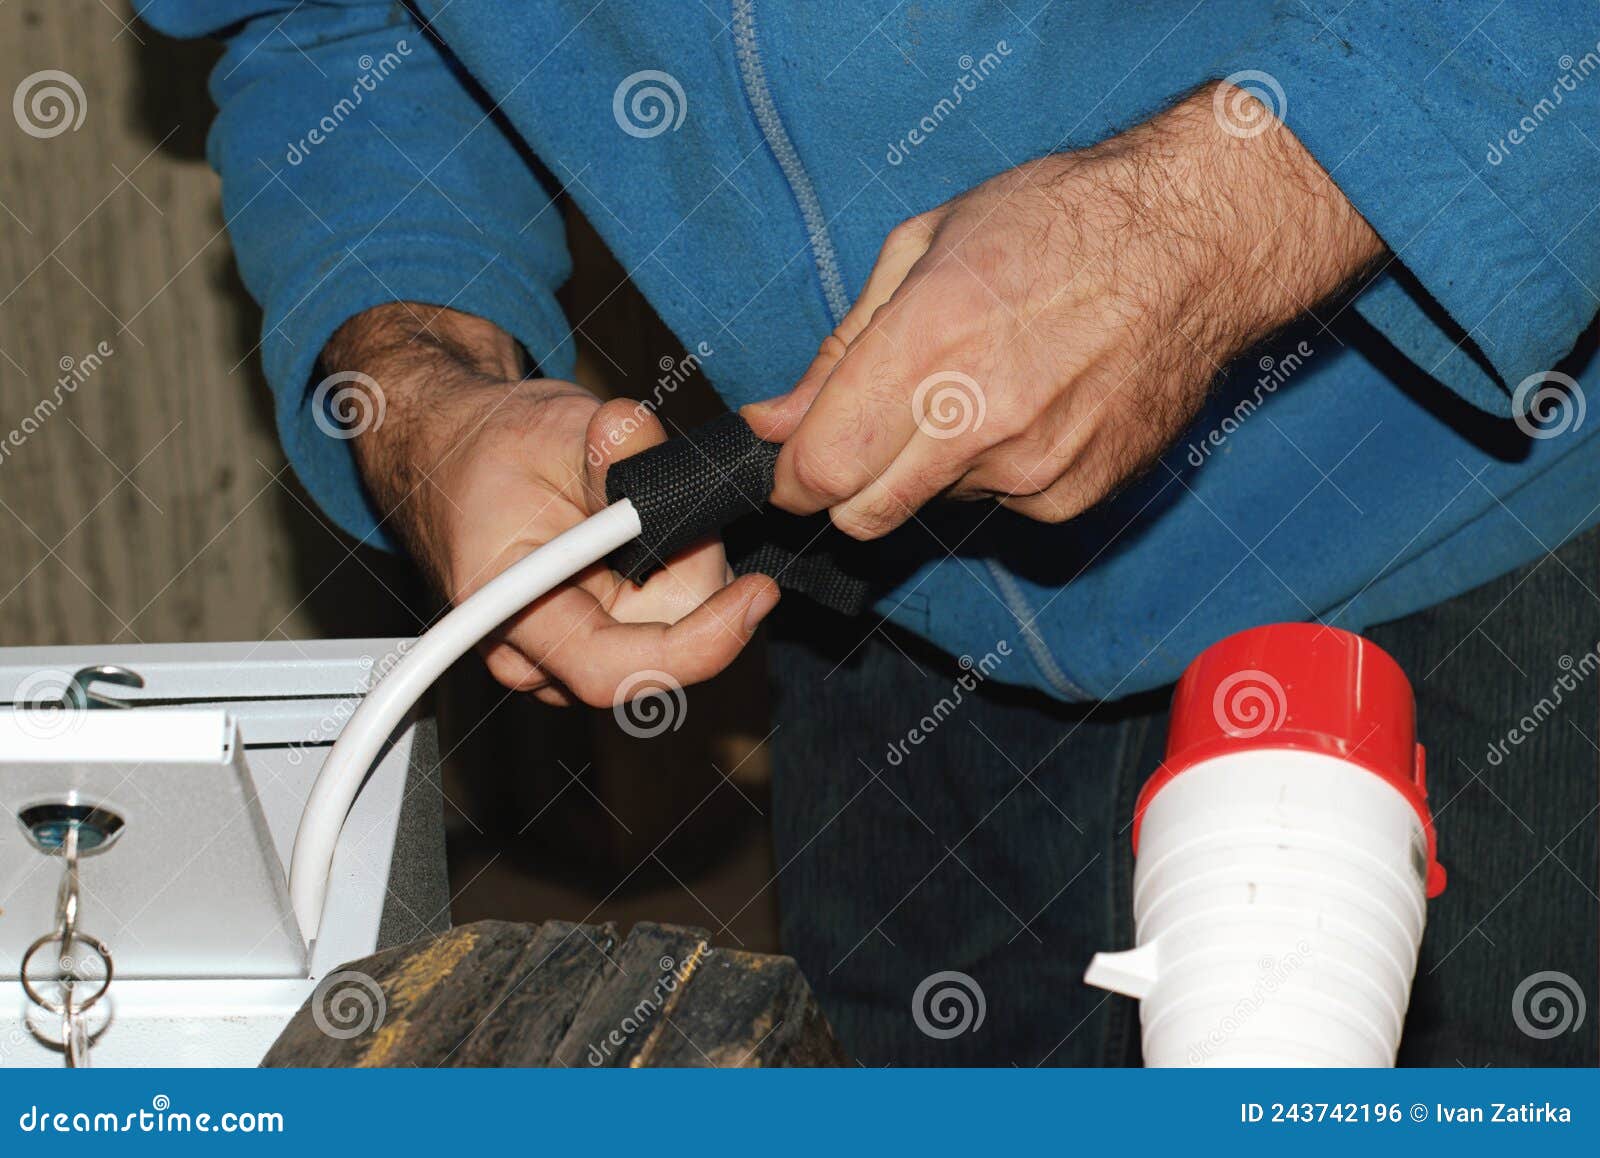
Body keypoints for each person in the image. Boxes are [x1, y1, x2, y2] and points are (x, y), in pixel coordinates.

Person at [139, 0, 1599, 1065]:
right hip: (888, 618)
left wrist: (1215, 212)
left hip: (1475, 512)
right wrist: (425, 392)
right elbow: (329, 33)